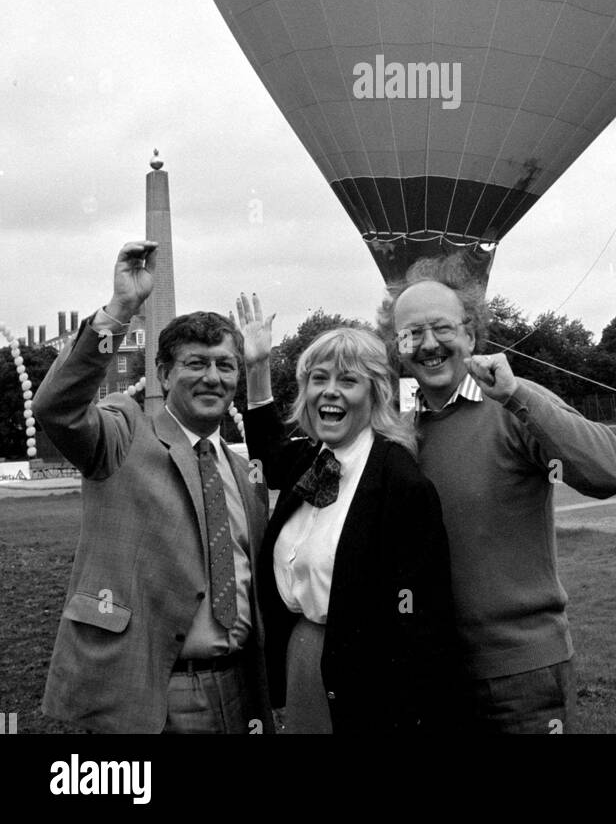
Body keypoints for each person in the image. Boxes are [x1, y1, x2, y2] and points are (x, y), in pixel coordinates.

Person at [377, 256, 616, 735]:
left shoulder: (512, 401)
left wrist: (518, 397)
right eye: (412, 333)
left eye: (441, 328)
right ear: (398, 348)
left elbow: (609, 474)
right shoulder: (400, 431)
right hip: (435, 676)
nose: (428, 344)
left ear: (471, 335)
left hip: (522, 674)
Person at [32, 241, 272, 734]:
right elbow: (57, 408)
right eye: (196, 363)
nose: (213, 377)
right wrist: (120, 310)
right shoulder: (125, 431)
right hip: (153, 692)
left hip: (241, 686)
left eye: (225, 366)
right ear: (163, 373)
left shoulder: (240, 469)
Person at [238, 296, 465, 734]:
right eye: (319, 379)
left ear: (376, 393)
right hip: (304, 658)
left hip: (372, 678)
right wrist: (257, 367)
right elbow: (266, 453)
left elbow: (421, 618)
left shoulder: (399, 481)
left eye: (348, 381)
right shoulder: (309, 457)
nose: (330, 391)